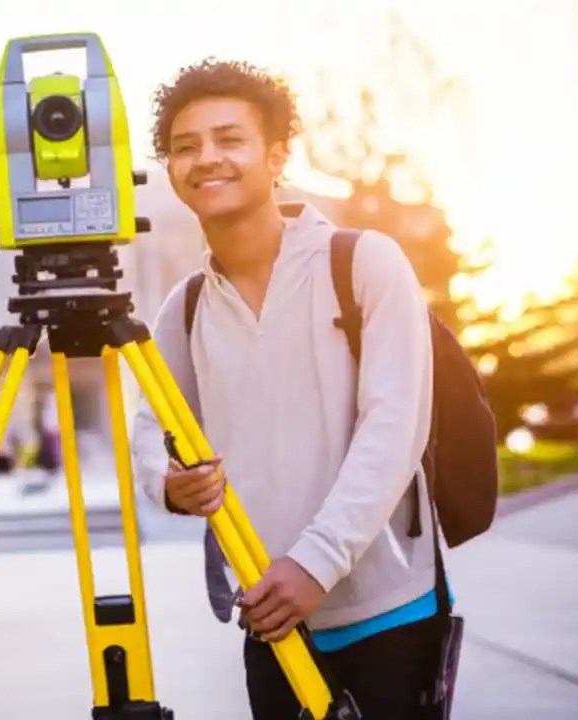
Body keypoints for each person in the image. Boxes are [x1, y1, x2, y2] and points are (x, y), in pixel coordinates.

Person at [130, 58, 445, 719]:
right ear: (170, 172)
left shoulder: (364, 264)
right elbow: (146, 438)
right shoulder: (183, 312)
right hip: (271, 619)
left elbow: (394, 427)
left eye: (229, 139)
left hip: (387, 610)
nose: (206, 159)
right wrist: (170, 483)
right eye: (186, 147)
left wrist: (316, 563)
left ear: (276, 156)